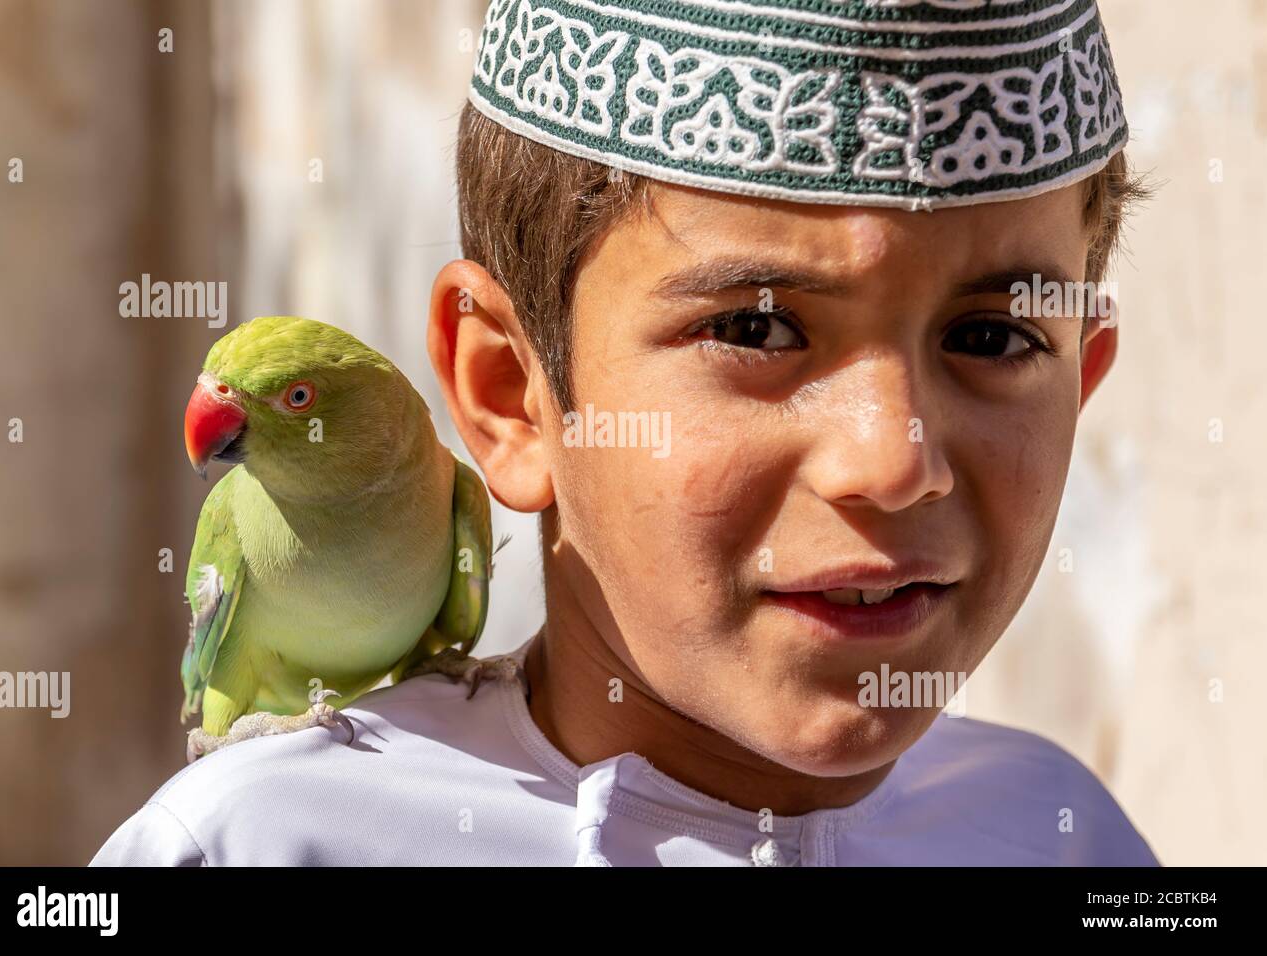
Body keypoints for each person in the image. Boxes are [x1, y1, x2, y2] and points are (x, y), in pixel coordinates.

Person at [93, 0, 1158, 866]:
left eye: (991, 335)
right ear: (512, 394)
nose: (891, 462)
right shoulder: (259, 847)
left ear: (1082, 380)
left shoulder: (1064, 835)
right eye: (755, 327)